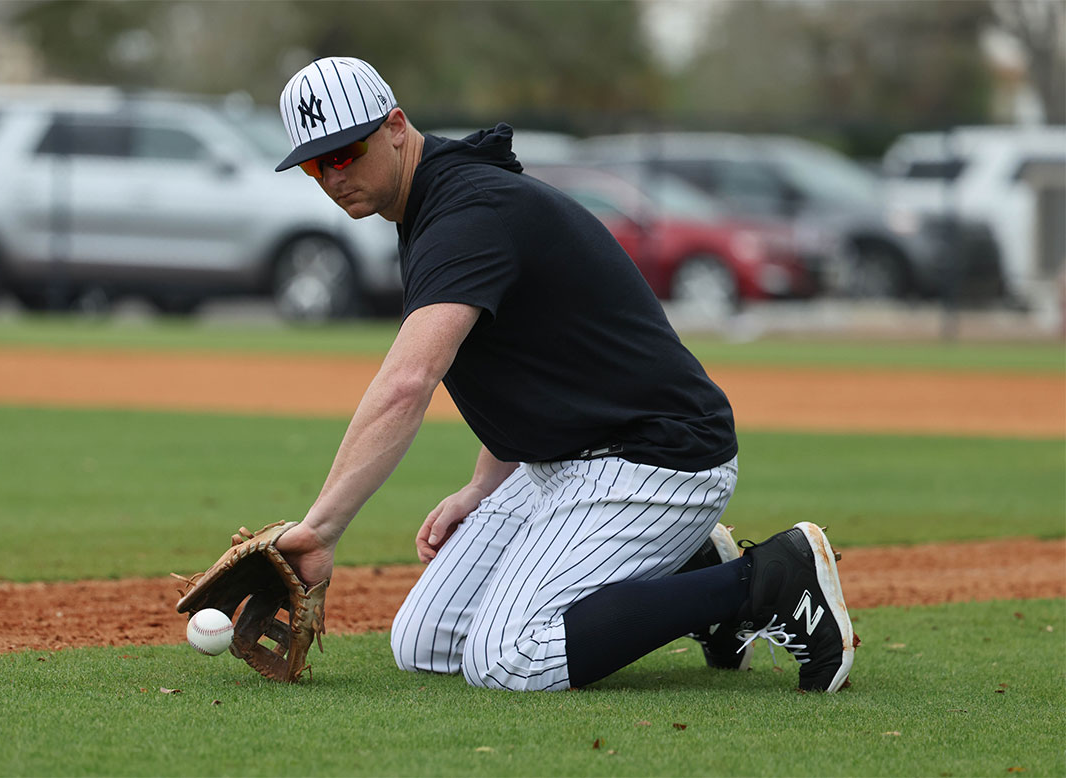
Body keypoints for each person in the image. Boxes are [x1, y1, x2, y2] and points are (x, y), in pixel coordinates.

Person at [272, 56, 855, 692]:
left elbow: (407, 384)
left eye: (345, 153)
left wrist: (321, 529)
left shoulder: (467, 214)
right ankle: (690, 562)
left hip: (658, 458)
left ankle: (764, 582)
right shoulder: (431, 208)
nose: (333, 176)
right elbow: (530, 362)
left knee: (508, 660)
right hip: (567, 460)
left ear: (395, 126)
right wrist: (480, 487)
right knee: (426, 642)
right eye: (313, 163)